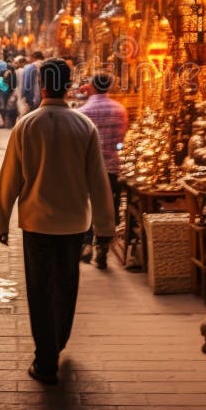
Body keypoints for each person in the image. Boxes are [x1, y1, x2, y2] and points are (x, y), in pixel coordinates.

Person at [0, 58, 115, 385]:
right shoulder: (83, 126)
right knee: (66, 286)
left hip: (37, 224)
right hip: (74, 224)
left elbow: (10, 178)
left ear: (42, 86)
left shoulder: (27, 125)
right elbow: (99, 182)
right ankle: (57, 343)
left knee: (40, 289)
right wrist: (105, 229)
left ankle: (46, 358)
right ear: (69, 86)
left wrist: (1, 221)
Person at [77, 72, 128, 269]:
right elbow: (121, 138)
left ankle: (87, 243)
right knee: (109, 208)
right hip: (113, 167)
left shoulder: (83, 112)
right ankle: (103, 249)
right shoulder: (119, 110)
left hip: (90, 168)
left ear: (93, 86)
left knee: (88, 206)